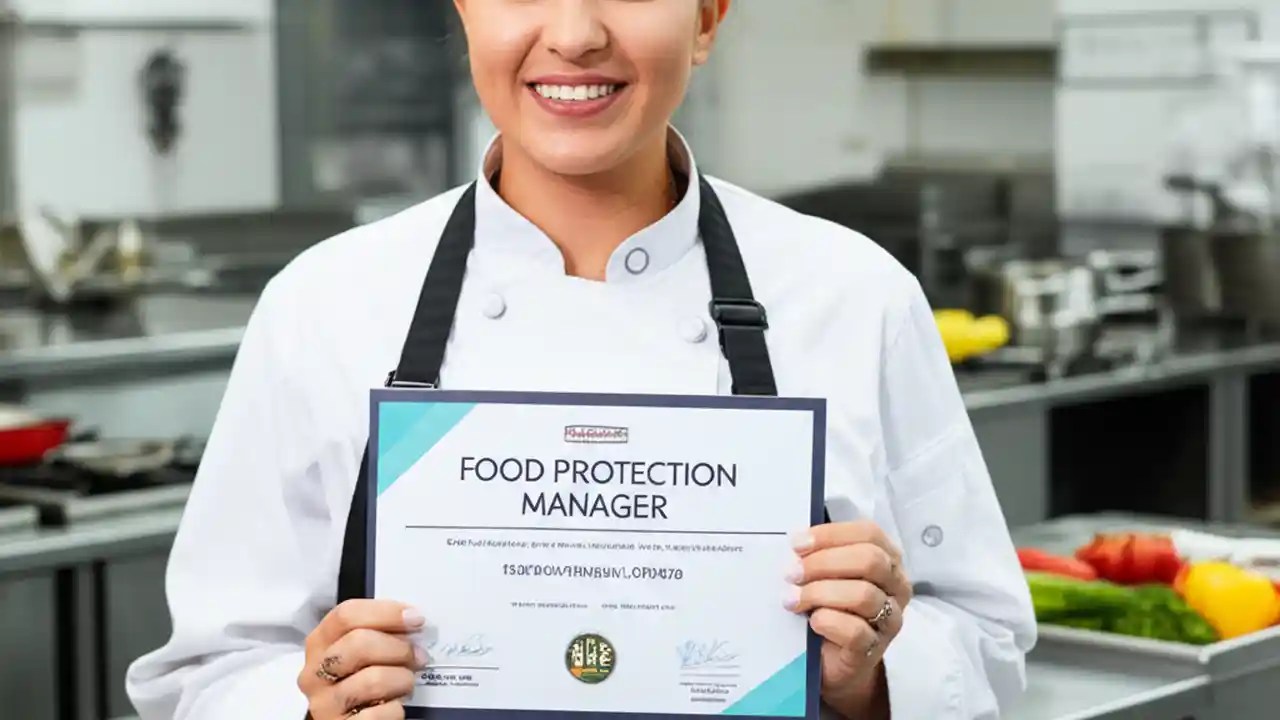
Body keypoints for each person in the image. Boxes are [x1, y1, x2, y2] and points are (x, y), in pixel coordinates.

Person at [126, 1, 1036, 718]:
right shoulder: (322, 305)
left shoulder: (857, 293)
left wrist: (868, 679)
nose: (573, 34)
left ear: (709, 17)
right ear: (467, 11)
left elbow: (990, 642)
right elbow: (210, 672)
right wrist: (314, 705)